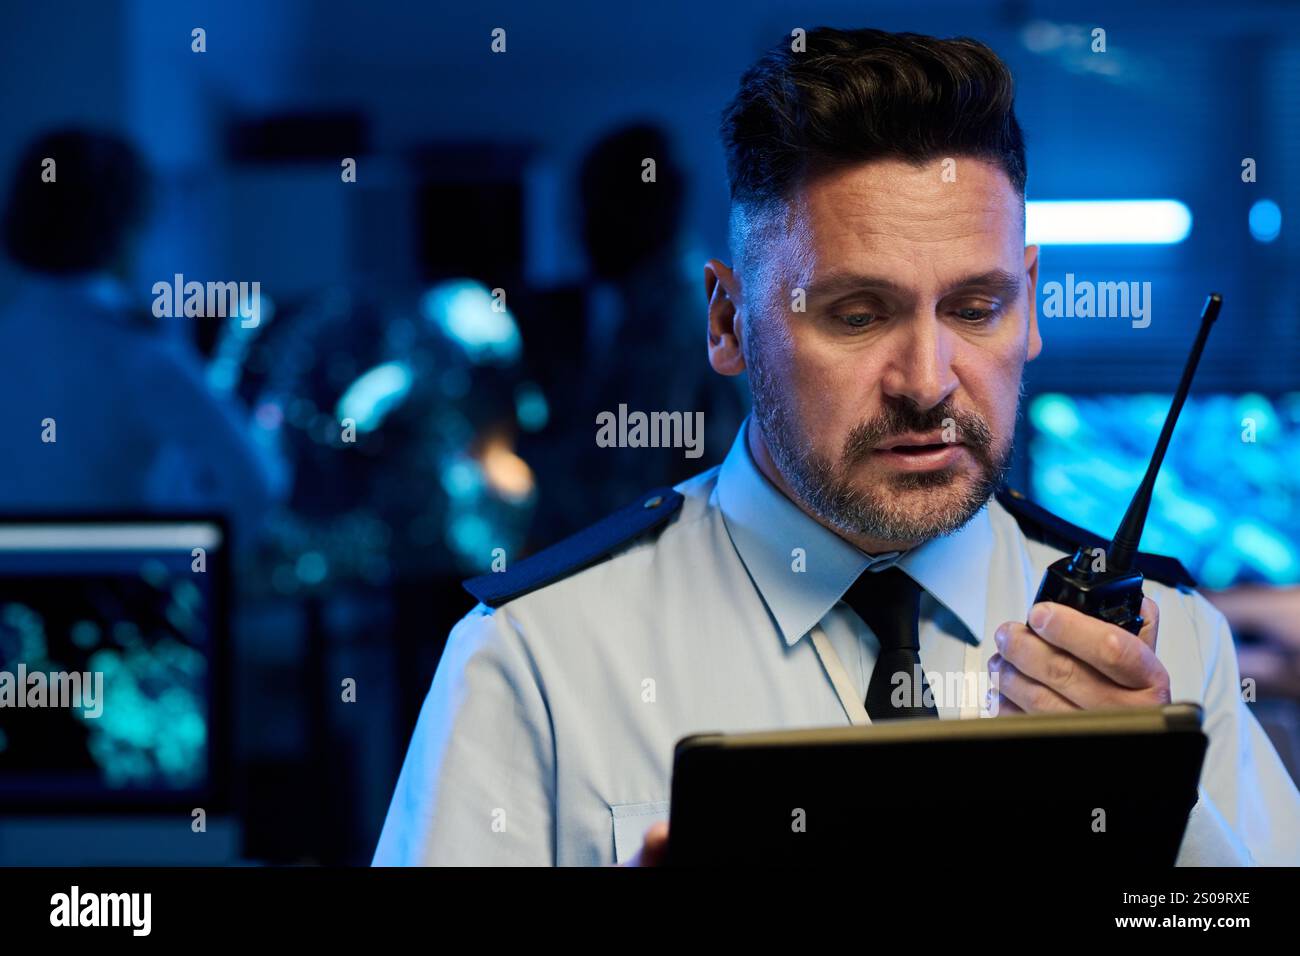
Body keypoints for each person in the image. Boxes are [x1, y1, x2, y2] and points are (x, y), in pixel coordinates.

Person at [373, 28, 1300, 866]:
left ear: (1030, 302)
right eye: (858, 315)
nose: (929, 380)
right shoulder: (536, 661)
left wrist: (1160, 826)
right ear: (729, 322)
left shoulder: (1171, 650)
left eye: (976, 310)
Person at [0, 129, 285, 552]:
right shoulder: (139, 354)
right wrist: (186, 570)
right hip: (119, 602)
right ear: (126, 226)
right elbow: (259, 485)